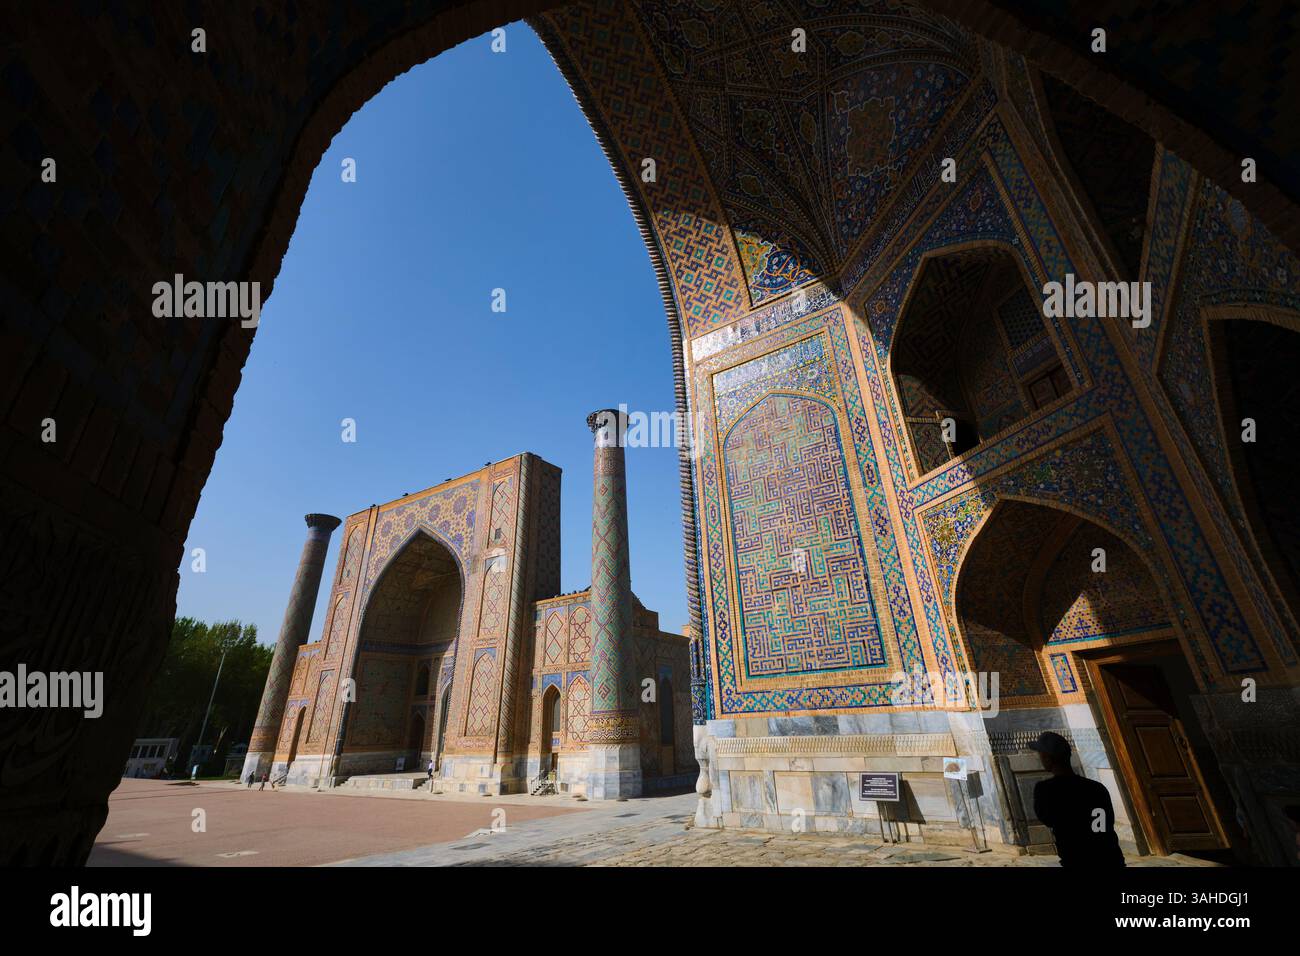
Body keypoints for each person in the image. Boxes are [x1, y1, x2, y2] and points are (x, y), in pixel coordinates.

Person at [1030, 731, 1125, 867]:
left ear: (1048, 759)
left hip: (1076, 860)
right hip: (1109, 858)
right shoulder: (1096, 788)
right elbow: (1103, 826)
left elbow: (1048, 819)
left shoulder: (1045, 790)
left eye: (1041, 756)